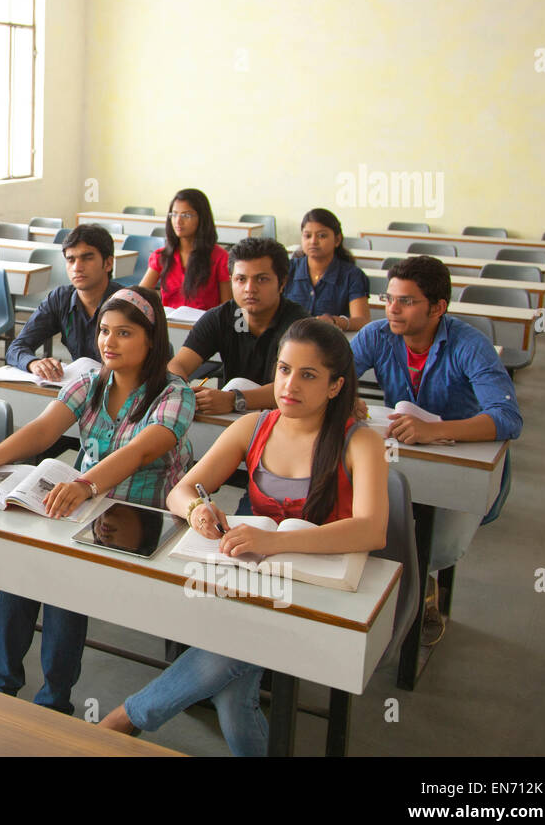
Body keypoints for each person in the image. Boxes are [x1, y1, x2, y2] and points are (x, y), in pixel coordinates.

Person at [101, 318, 389, 754]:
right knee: (235, 693)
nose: (290, 384)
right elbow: (181, 490)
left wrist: (276, 541)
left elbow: (372, 529)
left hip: (322, 594)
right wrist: (198, 510)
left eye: (308, 375)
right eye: (284, 369)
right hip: (246, 579)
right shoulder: (253, 425)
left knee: (225, 653)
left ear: (335, 386)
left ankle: (125, 718)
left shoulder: (359, 442)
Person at [0, 285, 195, 715]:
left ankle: (53, 701)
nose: (108, 342)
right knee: (23, 564)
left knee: (61, 577)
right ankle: (0, 683)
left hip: (142, 520)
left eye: (124, 333)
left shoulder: (175, 393)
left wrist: (86, 485)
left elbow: (141, 450)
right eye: (104, 331)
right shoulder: (91, 381)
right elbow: (43, 430)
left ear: (151, 338)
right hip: (85, 509)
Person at [350, 255, 521, 585]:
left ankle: (423, 593)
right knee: (373, 528)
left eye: (407, 302)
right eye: (389, 299)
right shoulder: (378, 335)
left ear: (438, 307)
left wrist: (434, 430)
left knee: (436, 550)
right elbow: (332, 379)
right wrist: (344, 398)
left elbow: (508, 417)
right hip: (401, 450)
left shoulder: (470, 345)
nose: (392, 310)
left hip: (463, 459)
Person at [168, 238, 310, 416]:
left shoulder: (299, 325)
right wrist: (183, 391)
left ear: (282, 283)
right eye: (241, 279)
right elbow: (178, 364)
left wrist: (233, 399)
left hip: (285, 418)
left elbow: (294, 386)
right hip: (232, 418)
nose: (250, 288)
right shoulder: (221, 317)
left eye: (262, 279)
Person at [5, 224, 125, 381]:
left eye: (87, 258)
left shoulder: (126, 303)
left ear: (108, 263)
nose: (77, 267)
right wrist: (34, 363)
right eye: (70, 260)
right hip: (81, 386)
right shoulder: (61, 299)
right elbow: (15, 348)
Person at [139, 188, 232, 310]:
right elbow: (139, 296)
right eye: (174, 214)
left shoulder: (220, 257)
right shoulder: (161, 256)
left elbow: (227, 306)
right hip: (170, 325)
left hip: (205, 325)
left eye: (186, 215)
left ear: (202, 218)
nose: (178, 221)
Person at [284, 208, 371, 331]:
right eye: (307, 236)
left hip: (329, 344)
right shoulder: (287, 269)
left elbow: (362, 321)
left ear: (337, 240)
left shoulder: (352, 275)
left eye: (322, 236)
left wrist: (334, 321)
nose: (313, 241)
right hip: (287, 342)